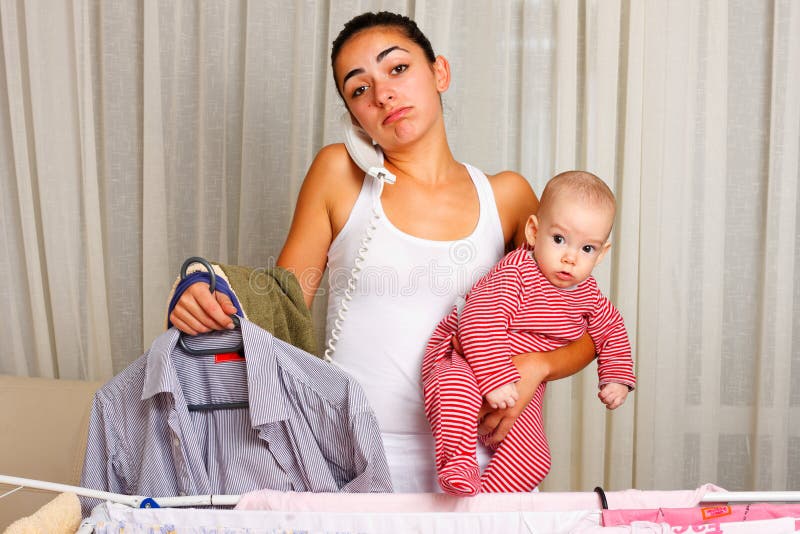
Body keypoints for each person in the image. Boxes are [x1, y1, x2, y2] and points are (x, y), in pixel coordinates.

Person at [168, 11, 596, 493]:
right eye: (358, 89)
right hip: (356, 457)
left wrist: (536, 368)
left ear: (440, 73)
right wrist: (205, 291)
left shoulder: (509, 197)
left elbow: (586, 328)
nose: (383, 94)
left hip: (479, 459)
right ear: (355, 119)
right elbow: (282, 309)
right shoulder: (338, 174)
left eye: (397, 69)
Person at [422, 171, 636, 496]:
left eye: (587, 248)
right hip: (464, 361)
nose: (570, 257)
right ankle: (458, 462)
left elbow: (611, 329)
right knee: (454, 393)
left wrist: (616, 377)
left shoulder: (587, 294)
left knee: (535, 458)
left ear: (601, 253)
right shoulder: (517, 273)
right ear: (534, 232)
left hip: (520, 388)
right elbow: (480, 319)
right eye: (559, 239)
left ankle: (487, 506)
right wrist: (495, 378)